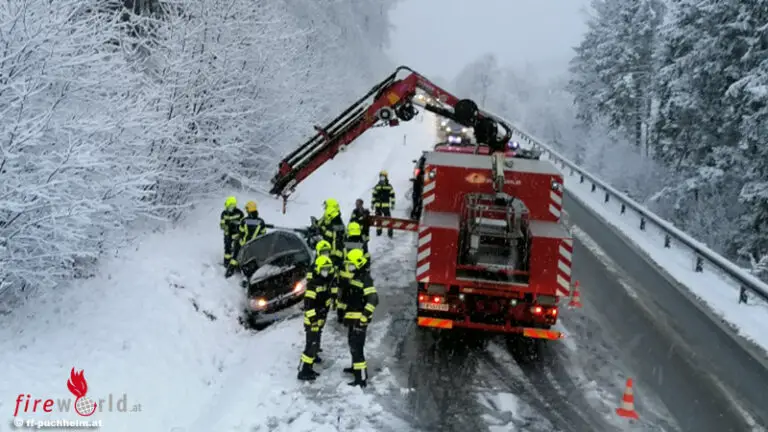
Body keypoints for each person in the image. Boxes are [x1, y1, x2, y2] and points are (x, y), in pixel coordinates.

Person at [340, 248, 379, 388]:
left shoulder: (365, 279)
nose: (349, 266)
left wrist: (364, 317)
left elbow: (373, 299)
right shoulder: (356, 275)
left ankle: (361, 379)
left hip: (359, 320)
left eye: (351, 263)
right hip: (352, 318)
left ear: (358, 263)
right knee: (352, 345)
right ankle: (355, 368)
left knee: (357, 348)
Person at [297, 255, 337, 381]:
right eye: (324, 268)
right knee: (311, 345)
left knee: (316, 341)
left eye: (328, 268)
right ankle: (304, 370)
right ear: (319, 269)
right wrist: (314, 321)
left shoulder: (326, 281)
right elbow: (308, 306)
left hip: (320, 318)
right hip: (312, 321)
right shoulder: (313, 285)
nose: (326, 271)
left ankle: (313, 358)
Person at [226, 201, 267, 278]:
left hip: (244, 244)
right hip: (255, 245)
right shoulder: (261, 221)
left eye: (247, 209)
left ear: (249, 210)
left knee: (235, 256)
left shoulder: (244, 221)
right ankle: (250, 276)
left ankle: (229, 271)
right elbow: (263, 233)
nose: (246, 210)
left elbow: (240, 232)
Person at [316, 198, 346, 269]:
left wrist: (323, 231)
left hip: (336, 252)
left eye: (326, 206)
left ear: (330, 207)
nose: (325, 208)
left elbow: (335, 235)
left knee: (335, 271)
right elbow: (320, 223)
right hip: (327, 250)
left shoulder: (337, 220)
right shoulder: (327, 217)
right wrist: (316, 224)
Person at [220, 196, 244, 268]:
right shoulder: (224, 213)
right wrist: (225, 226)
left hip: (237, 233)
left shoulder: (239, 212)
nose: (231, 207)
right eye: (230, 206)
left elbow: (243, 222)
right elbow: (222, 224)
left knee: (239, 247)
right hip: (228, 233)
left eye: (232, 205)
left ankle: (238, 262)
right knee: (228, 248)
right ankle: (227, 263)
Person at [372, 170, 395, 238]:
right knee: (378, 220)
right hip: (378, 206)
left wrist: (393, 203)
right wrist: (372, 203)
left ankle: (390, 233)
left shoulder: (389, 186)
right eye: (381, 177)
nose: (382, 178)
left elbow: (392, 195)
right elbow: (374, 195)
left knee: (388, 219)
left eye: (383, 177)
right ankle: (379, 232)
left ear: (386, 177)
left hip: (386, 206)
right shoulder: (377, 186)